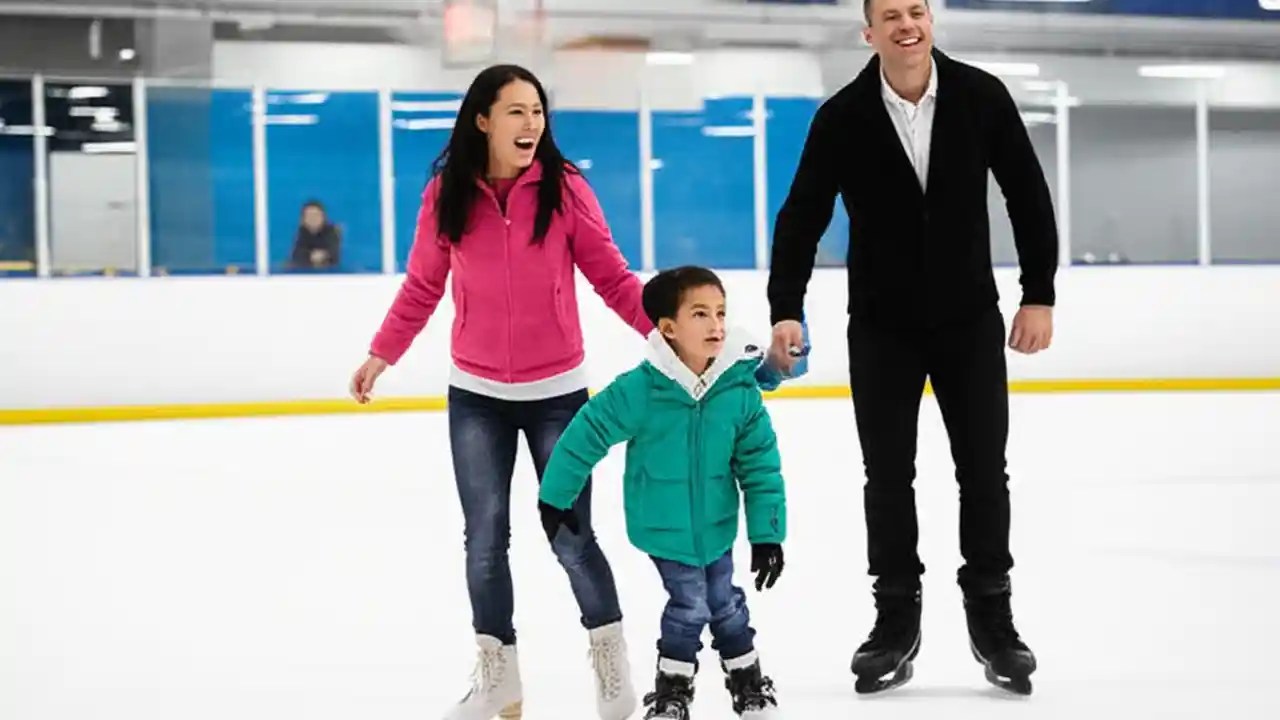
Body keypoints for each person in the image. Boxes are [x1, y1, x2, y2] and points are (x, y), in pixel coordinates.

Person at [766, 0, 1057, 697]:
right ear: (869, 32)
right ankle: (895, 620)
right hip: (881, 326)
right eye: (891, 14)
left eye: (917, 10)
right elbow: (802, 214)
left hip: (968, 323)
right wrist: (785, 309)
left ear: (931, 22)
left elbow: (1027, 194)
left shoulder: (980, 96)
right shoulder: (842, 116)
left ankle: (994, 619)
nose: (907, 24)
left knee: (984, 471)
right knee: (887, 477)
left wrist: (1038, 292)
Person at [348, 64, 654, 720]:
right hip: (478, 394)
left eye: (537, 110)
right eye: (516, 111)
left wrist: (665, 333)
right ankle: (499, 675)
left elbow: (610, 274)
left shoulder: (565, 188)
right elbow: (424, 284)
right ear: (482, 120)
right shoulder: (446, 193)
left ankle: (610, 661)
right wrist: (383, 352)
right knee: (484, 537)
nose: (531, 123)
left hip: (559, 392)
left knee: (570, 535)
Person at [537, 266, 788, 720]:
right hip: (662, 526)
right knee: (692, 603)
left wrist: (767, 533)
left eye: (720, 313)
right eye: (700, 314)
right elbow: (586, 432)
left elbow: (761, 465)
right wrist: (556, 497)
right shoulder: (642, 389)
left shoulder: (738, 389)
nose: (715, 325)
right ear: (669, 329)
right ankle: (674, 692)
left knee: (724, 602)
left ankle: (748, 684)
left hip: (716, 526)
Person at [289, 200, 341, 270]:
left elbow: (334, 253)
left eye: (316, 215)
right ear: (302, 220)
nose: (313, 219)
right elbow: (296, 254)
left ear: (324, 218)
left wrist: (324, 255)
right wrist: (310, 256)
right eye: (309, 216)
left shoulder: (331, 232)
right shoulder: (302, 232)